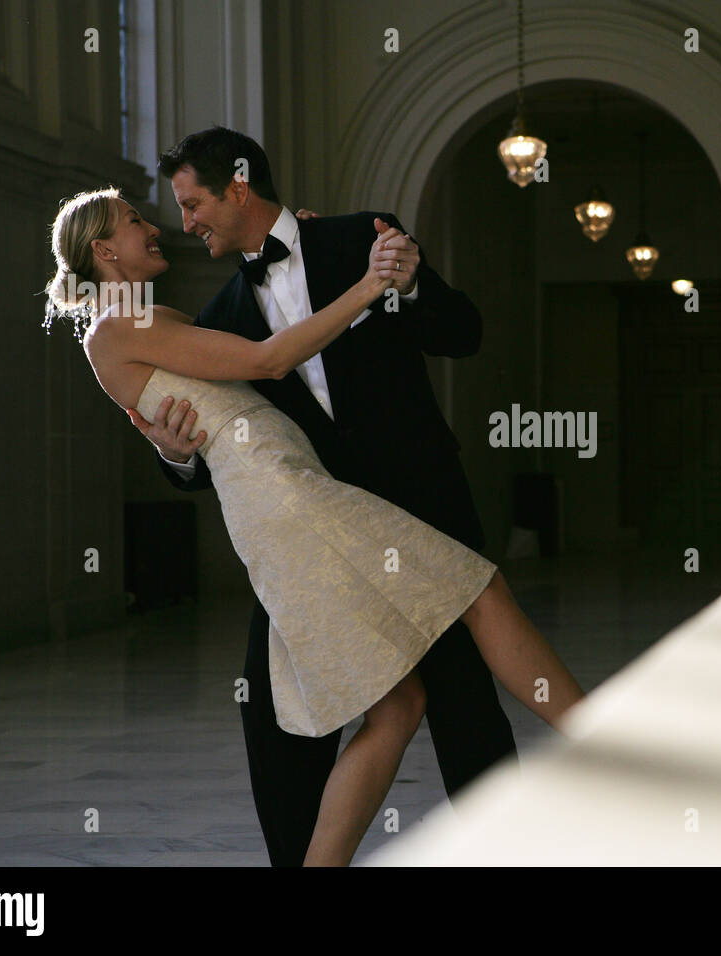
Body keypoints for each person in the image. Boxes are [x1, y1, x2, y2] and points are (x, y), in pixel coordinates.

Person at [45, 186, 585, 865]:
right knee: (479, 591)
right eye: (136, 221)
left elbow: (224, 378)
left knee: (399, 705)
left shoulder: (151, 319)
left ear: (239, 191)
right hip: (288, 500)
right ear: (102, 250)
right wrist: (369, 285)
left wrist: (310, 248)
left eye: (186, 204)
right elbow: (267, 360)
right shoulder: (117, 328)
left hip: (291, 498)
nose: (161, 227)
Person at [137, 126, 521, 868]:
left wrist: (407, 285)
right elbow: (201, 449)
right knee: (274, 711)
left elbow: (464, 332)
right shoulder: (218, 320)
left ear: (237, 186)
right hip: (313, 540)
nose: (187, 223)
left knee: (463, 701)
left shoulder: (364, 239)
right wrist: (172, 454)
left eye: (192, 203)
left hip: (423, 511)